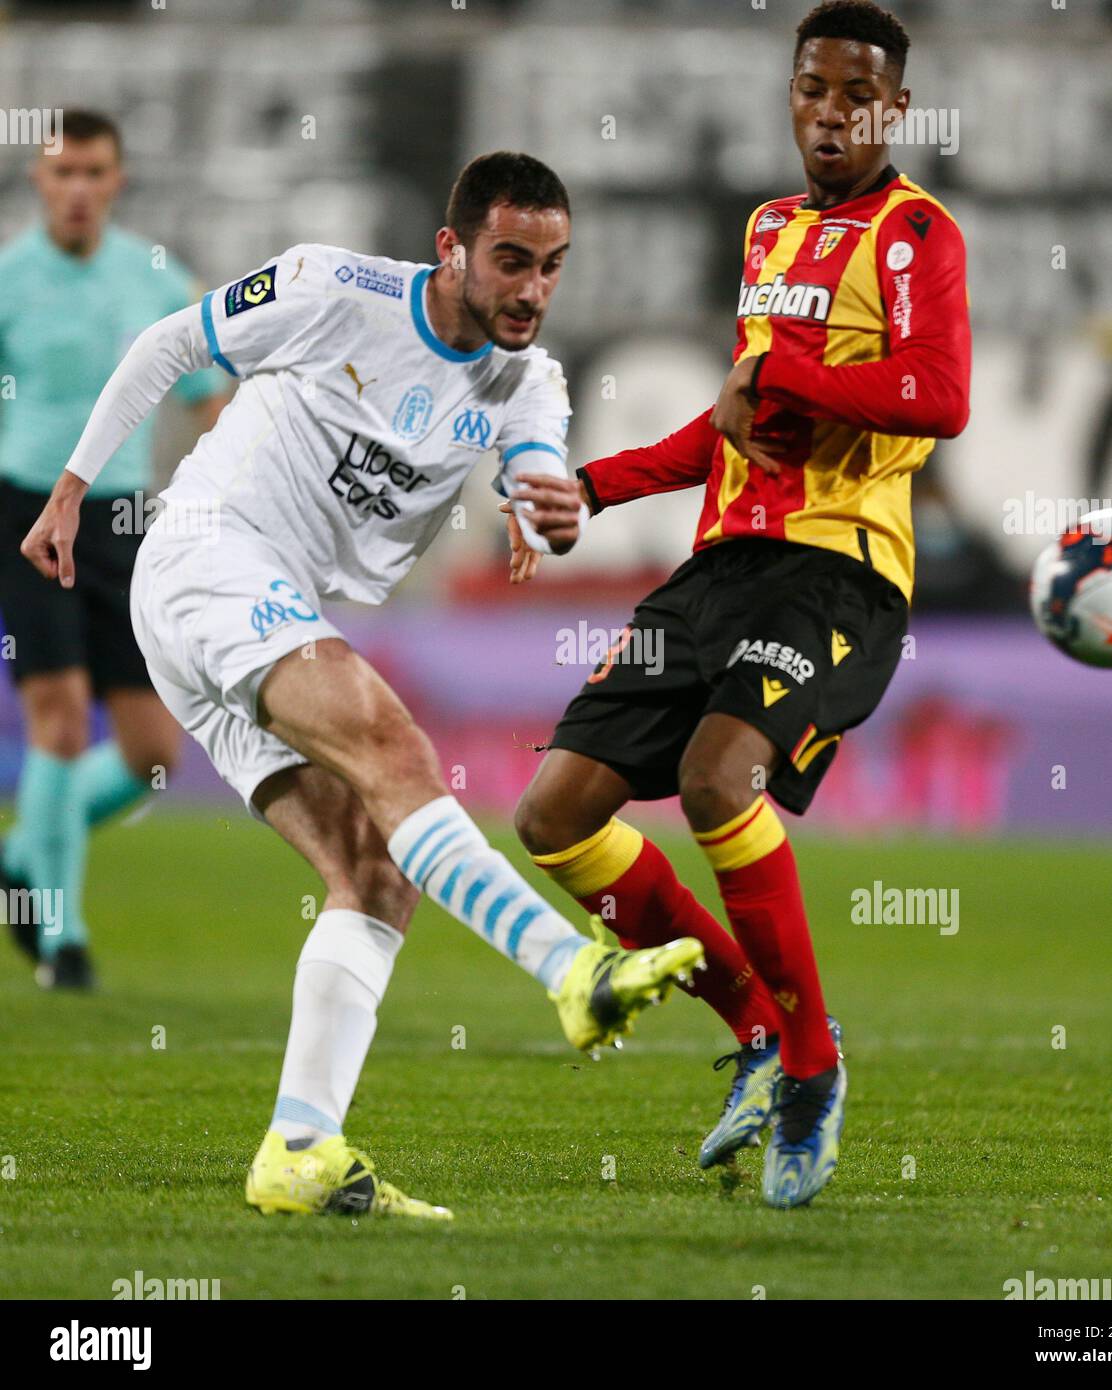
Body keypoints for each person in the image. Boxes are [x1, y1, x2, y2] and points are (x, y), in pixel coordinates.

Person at [20, 151, 703, 1220]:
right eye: (511, 260)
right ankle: (571, 968)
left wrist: (544, 512)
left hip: (262, 610)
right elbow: (168, 345)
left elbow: (537, 466)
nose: (531, 289)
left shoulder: (530, 377)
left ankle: (298, 1144)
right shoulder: (332, 291)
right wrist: (70, 488)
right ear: (452, 250)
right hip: (207, 554)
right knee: (398, 756)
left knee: (378, 873)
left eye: (553, 267)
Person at [514, 0, 971, 1210]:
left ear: (896, 110)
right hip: (718, 565)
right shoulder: (769, 230)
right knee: (554, 815)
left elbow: (935, 393)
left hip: (838, 568)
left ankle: (814, 1065)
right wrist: (595, 488)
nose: (834, 110)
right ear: (790, 95)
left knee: (721, 777)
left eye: (859, 93)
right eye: (814, 86)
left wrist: (784, 369)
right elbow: (732, 419)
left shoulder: (917, 234)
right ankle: (759, 1030)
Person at [0, 109, 229, 989]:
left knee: (155, 758)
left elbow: (213, 392)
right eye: (64, 173)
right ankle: (61, 938)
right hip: (24, 515)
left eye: (95, 172)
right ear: (39, 182)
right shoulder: (10, 278)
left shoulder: (152, 277)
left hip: (124, 526)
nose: (79, 189)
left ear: (117, 180)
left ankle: (26, 849)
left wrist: (222, 490)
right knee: (56, 721)